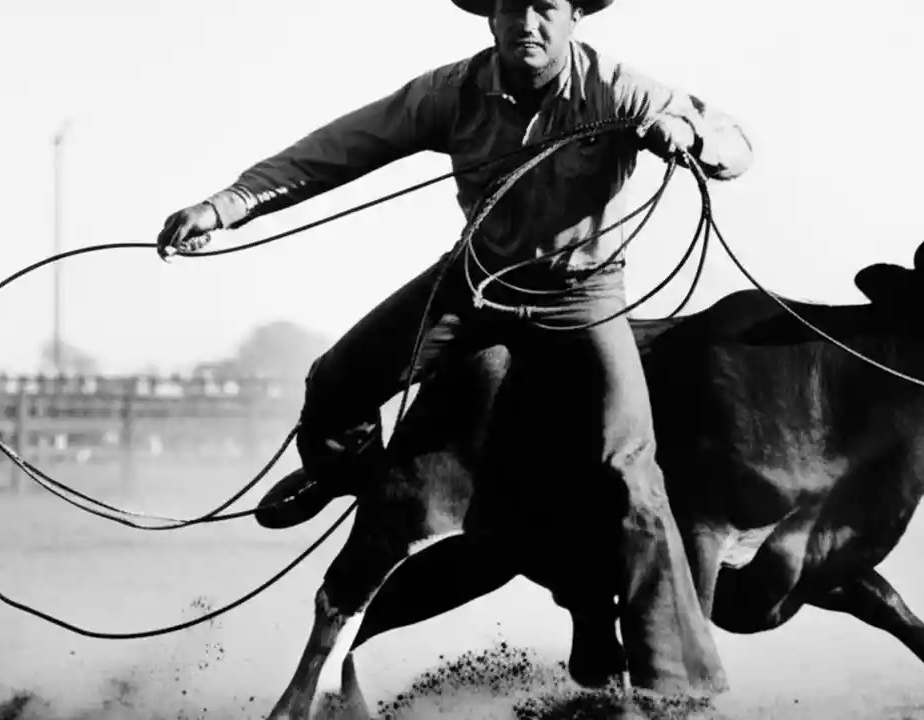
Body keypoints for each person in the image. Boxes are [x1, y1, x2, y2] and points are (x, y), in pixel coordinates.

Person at [157, 0, 752, 697]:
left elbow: (734, 145)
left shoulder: (621, 89)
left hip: (581, 298)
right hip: (475, 285)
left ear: (572, 20)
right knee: (336, 383)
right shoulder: (450, 94)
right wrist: (227, 205)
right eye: (511, 7)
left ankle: (674, 689)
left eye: (547, 7)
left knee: (629, 473)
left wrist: (688, 138)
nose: (528, 22)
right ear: (491, 21)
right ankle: (346, 475)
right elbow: (338, 148)